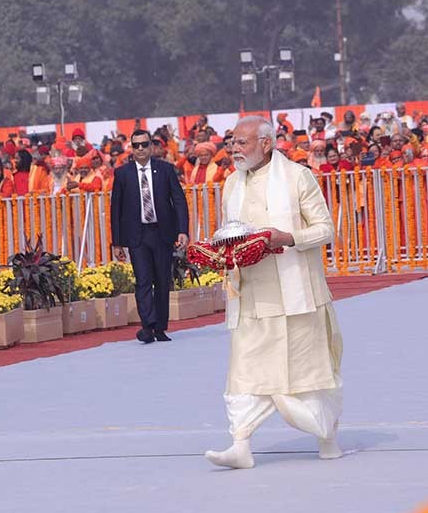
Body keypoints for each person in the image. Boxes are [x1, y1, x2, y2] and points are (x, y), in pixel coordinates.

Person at [205, 116, 343, 470]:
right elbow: (230, 234)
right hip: (251, 295)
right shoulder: (231, 183)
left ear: (266, 143)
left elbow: (326, 229)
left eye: (242, 143)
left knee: (308, 373)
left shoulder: (298, 177)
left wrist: (288, 238)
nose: (234, 149)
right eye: (232, 142)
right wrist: (219, 255)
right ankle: (241, 445)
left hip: (298, 296)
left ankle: (327, 437)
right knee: (245, 371)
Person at [110, 129, 190, 344]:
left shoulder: (165, 170)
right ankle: (148, 325)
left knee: (162, 280)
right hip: (137, 235)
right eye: (136, 145)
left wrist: (183, 230)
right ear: (131, 148)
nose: (141, 149)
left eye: (144, 144)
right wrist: (117, 242)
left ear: (151, 146)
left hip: (162, 233)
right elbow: (116, 209)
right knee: (143, 280)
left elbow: (179, 201)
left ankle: (160, 327)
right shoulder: (122, 174)